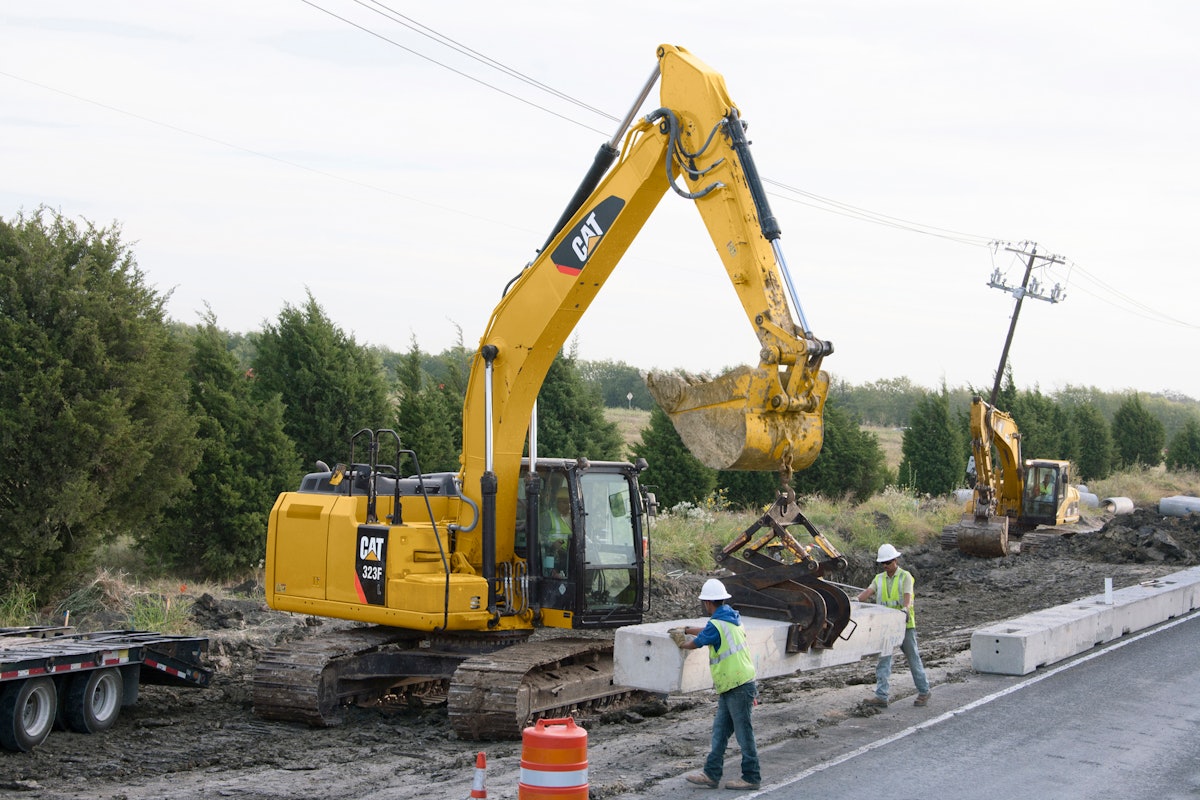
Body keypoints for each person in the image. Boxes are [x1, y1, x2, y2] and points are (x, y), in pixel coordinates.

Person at [670, 579, 760, 791]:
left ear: (708, 603)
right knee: (720, 731)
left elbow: (696, 643)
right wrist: (689, 628)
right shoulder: (731, 619)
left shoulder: (718, 625)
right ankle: (711, 774)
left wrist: (680, 641)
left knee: (743, 733)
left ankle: (751, 776)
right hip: (735, 684)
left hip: (738, 685)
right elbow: (708, 629)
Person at [857, 543, 931, 708]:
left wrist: (905, 609)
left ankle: (924, 691)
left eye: (888, 562)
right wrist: (854, 601)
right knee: (884, 661)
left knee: (913, 659)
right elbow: (867, 592)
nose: (886, 565)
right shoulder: (879, 579)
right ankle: (881, 695)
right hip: (885, 626)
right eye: (883, 563)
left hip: (904, 625)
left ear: (895, 560)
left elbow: (908, 596)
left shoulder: (905, 576)